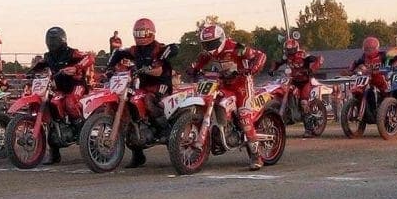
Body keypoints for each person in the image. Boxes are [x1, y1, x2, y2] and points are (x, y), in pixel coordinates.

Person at [188, 24, 267, 170]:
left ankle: (256, 156)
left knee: (244, 115)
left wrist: (251, 69)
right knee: (213, 101)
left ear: (221, 39)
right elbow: (198, 64)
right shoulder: (207, 53)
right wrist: (193, 70)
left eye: (212, 43)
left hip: (242, 84)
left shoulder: (236, 48)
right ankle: (220, 130)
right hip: (222, 84)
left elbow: (260, 56)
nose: (209, 46)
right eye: (206, 44)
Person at [106, 18, 178, 168]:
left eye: (143, 32)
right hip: (143, 86)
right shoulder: (134, 50)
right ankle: (138, 155)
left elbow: (171, 52)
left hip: (160, 84)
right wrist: (110, 67)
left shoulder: (159, 48)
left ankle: (166, 130)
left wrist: (162, 58)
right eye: (137, 32)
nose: (140, 36)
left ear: (151, 33)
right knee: (131, 109)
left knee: (148, 100)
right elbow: (119, 52)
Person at [27, 27, 95, 165]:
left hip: (76, 86)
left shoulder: (72, 53)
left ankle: (81, 130)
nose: (52, 43)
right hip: (59, 88)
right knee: (52, 108)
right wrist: (30, 72)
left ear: (62, 40)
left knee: (70, 103)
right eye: (50, 40)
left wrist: (76, 68)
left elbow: (89, 57)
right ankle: (54, 153)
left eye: (54, 40)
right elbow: (40, 65)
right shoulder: (48, 56)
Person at [268, 39, 324, 137]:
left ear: (296, 48)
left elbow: (319, 59)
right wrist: (272, 69)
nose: (289, 52)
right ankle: (287, 115)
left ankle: (309, 129)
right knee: (283, 90)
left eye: (290, 50)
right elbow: (277, 62)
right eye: (287, 50)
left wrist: (311, 69)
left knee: (303, 103)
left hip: (305, 81)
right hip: (293, 80)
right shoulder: (286, 57)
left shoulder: (303, 55)